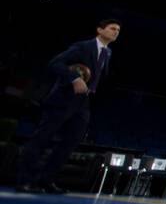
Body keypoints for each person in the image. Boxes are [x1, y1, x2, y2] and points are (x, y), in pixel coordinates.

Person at [18, 19, 119, 194]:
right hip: (63, 99)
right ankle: (25, 181)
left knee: (69, 143)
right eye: (112, 28)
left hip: (83, 103)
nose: (116, 32)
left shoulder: (108, 53)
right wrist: (74, 78)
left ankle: (46, 181)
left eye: (118, 30)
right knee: (42, 139)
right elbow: (55, 63)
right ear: (100, 30)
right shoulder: (83, 47)